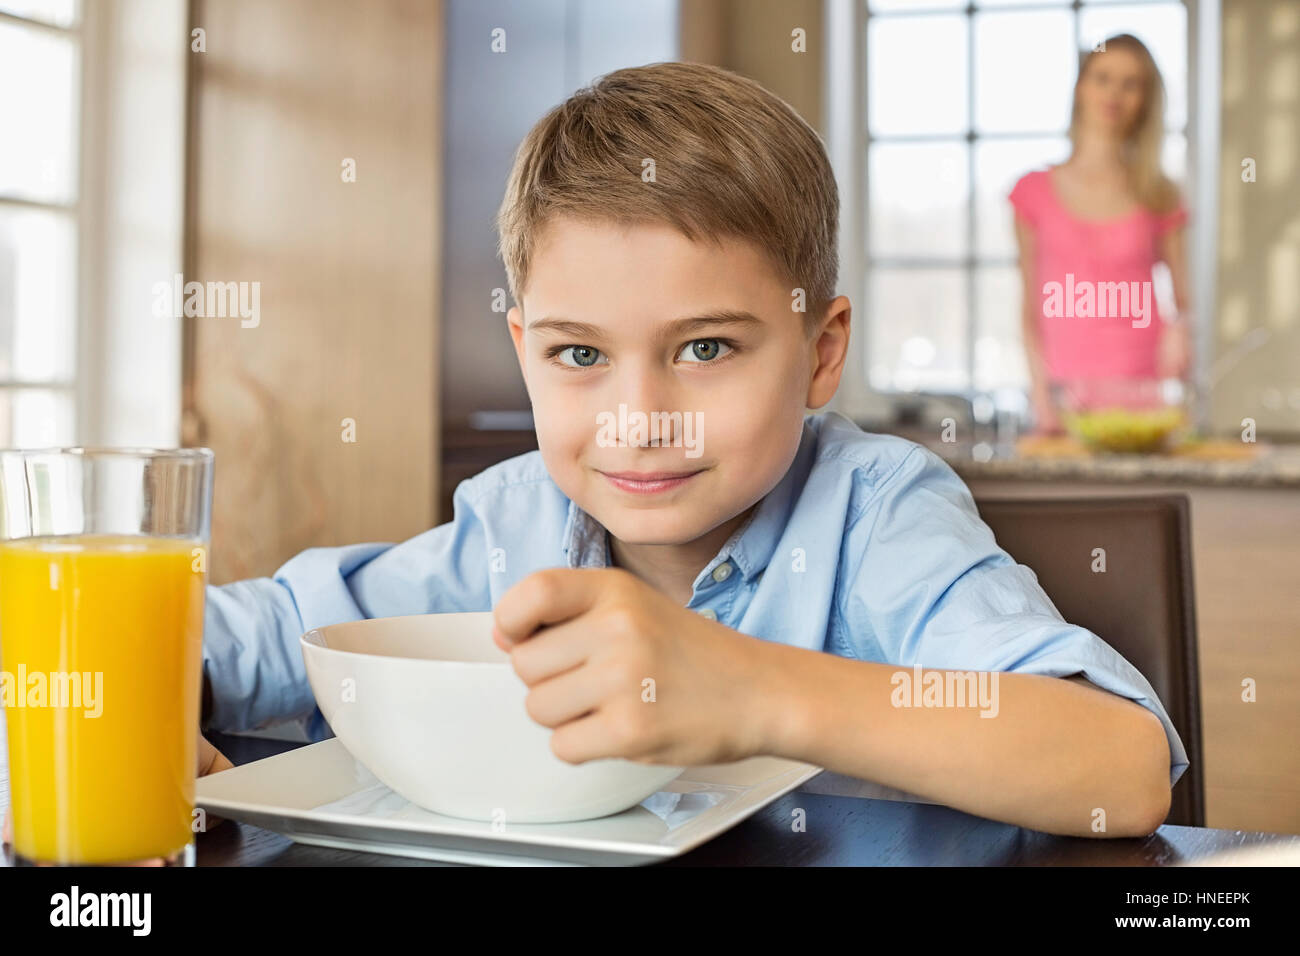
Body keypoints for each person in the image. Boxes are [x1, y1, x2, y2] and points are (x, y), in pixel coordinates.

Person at [117, 62, 1187, 838]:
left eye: (706, 346)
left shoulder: (875, 511)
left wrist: (752, 690)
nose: (638, 418)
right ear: (522, 350)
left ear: (821, 353)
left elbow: (1122, 766)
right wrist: (124, 692)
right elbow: (230, 633)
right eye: (578, 352)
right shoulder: (512, 522)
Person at [1010, 34, 1192, 433]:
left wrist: (1180, 332)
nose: (1114, 93)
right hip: (1065, 401)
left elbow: (1183, 301)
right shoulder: (1032, 192)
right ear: (1081, 86)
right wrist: (1041, 394)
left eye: (1131, 84)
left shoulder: (1161, 194)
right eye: (1103, 78)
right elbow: (1029, 308)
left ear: (1145, 101)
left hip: (1147, 395)